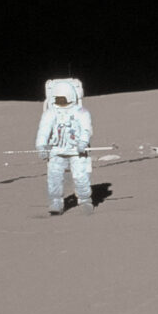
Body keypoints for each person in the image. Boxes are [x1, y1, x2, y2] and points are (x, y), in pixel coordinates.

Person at [35, 79, 94, 216]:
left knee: (81, 176)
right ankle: (56, 202)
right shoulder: (50, 113)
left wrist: (83, 143)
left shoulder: (81, 112)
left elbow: (86, 129)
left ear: (71, 97)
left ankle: (85, 200)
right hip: (57, 150)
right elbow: (44, 130)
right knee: (54, 177)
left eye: (64, 99)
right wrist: (41, 146)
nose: (61, 102)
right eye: (58, 99)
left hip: (76, 150)